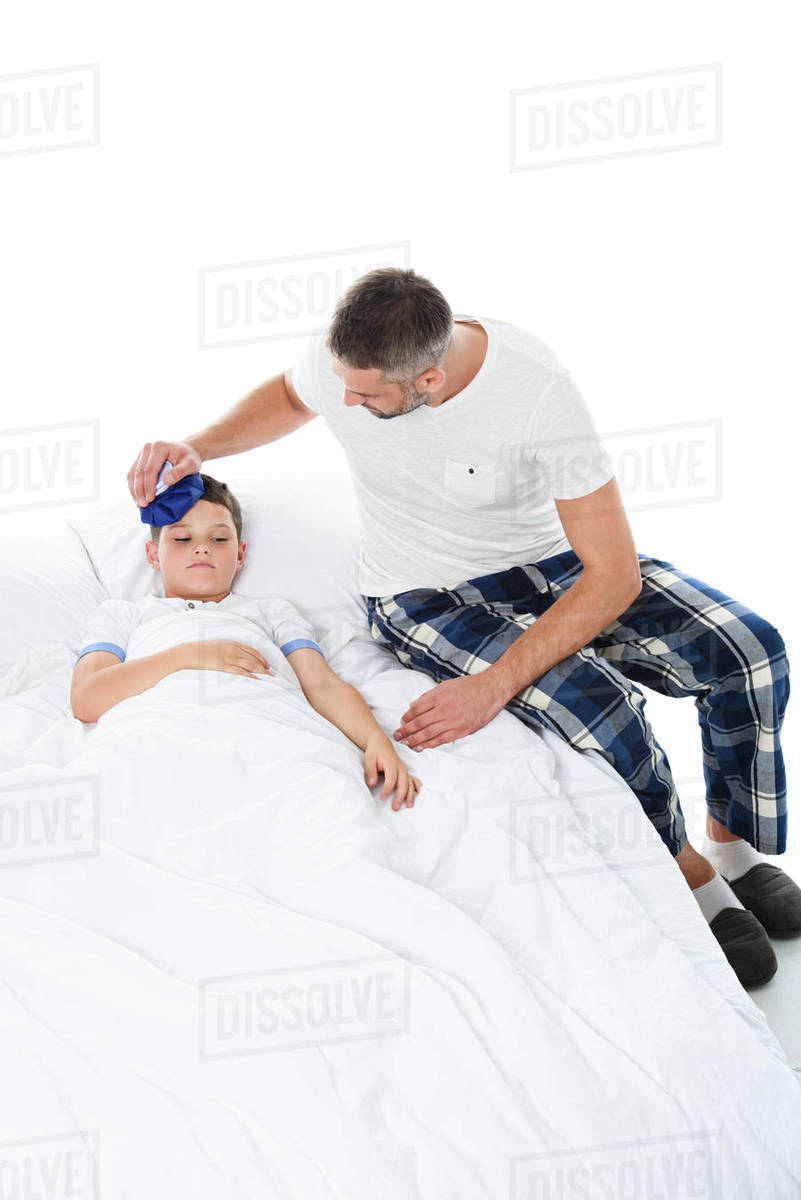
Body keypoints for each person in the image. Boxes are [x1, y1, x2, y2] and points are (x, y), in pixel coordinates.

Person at [127, 268, 799, 989]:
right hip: (424, 594)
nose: (343, 402)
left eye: (365, 395)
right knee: (601, 705)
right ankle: (689, 875)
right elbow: (294, 396)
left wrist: (492, 684)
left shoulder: (534, 389)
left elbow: (614, 575)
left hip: (556, 564)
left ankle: (731, 846)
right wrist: (200, 446)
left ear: (430, 381)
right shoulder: (347, 362)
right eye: (341, 384)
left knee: (750, 652)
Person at [71, 474, 422, 813]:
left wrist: (375, 739)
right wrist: (193, 654)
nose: (202, 547)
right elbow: (87, 698)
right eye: (181, 539)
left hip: (270, 733)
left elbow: (321, 684)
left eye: (218, 539)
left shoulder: (271, 613)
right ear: (152, 555)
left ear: (240, 554)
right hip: (159, 734)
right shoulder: (125, 616)